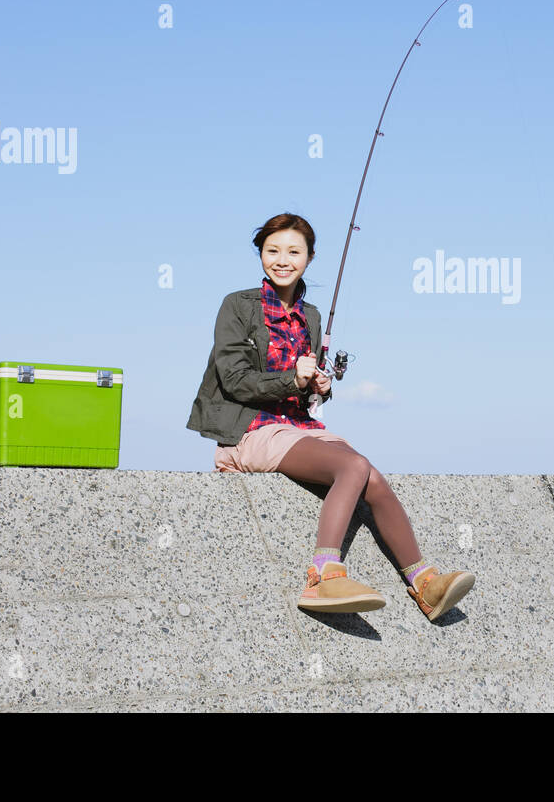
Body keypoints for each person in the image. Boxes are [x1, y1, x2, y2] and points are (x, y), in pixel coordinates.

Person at [186, 212, 475, 621]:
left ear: (309, 257)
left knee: (370, 475)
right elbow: (234, 380)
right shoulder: (237, 305)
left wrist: (320, 386)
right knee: (353, 465)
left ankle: (425, 583)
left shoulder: (312, 316)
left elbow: (304, 390)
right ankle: (322, 575)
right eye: (272, 251)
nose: (282, 259)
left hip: (297, 427)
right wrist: (291, 378)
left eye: (293, 251)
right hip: (248, 428)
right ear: (260, 255)